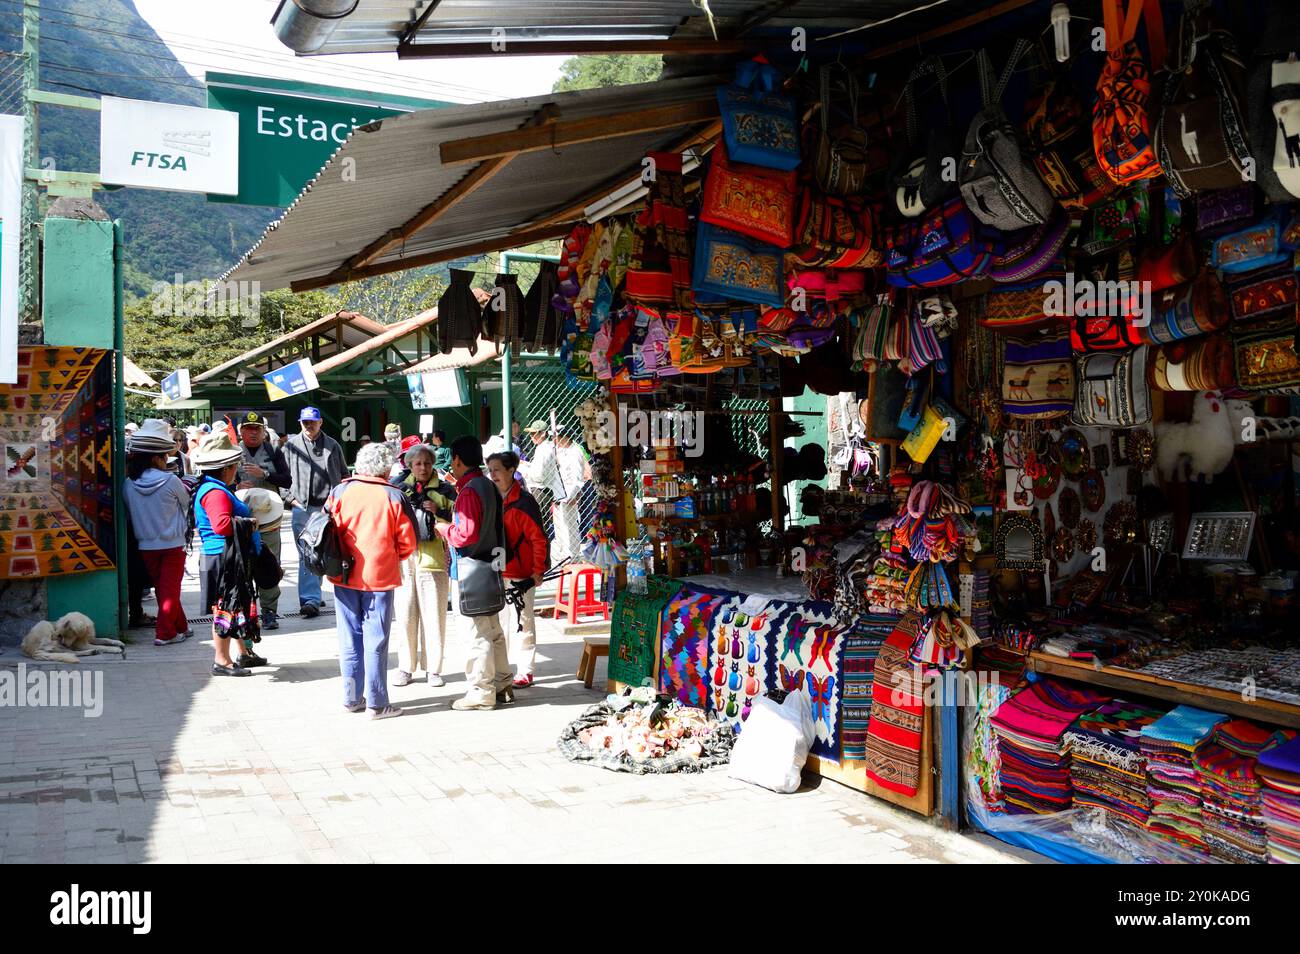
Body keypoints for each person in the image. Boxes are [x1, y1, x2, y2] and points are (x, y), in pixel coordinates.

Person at [325, 442, 418, 720]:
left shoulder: (340, 490)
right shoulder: (393, 495)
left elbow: (327, 526)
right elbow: (408, 542)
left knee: (348, 638)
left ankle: (352, 697)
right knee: (375, 640)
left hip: (343, 574)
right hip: (379, 576)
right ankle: (377, 703)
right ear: (387, 468)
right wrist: (391, 556)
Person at [438, 436, 511, 711]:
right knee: (493, 630)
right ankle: (503, 684)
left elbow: (465, 534)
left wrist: (445, 530)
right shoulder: (488, 486)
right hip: (490, 567)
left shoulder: (469, 490)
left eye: (452, 462)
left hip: (470, 572)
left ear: (457, 460)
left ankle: (481, 691)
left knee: (475, 633)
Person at [192, 431, 264, 677]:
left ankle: (243, 653)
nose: (236, 469)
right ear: (226, 468)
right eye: (234, 465)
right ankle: (221, 660)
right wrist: (250, 522)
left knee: (233, 607)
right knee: (224, 609)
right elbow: (221, 525)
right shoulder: (216, 493)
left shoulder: (215, 488)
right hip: (223, 557)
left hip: (225, 556)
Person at [390, 443, 456, 688]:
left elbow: (458, 519)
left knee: (434, 615)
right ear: (409, 464)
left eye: (427, 463)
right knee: (405, 613)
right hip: (404, 560)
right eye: (418, 463)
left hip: (434, 560)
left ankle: (434, 669)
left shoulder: (446, 490)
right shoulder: (398, 486)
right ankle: (405, 667)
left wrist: (438, 512)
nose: (423, 468)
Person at [122, 419, 191, 647]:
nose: (166, 461)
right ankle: (165, 633)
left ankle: (181, 626)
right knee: (169, 591)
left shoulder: (128, 484)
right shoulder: (171, 480)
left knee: (164, 589)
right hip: (173, 544)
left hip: (145, 545)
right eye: (164, 457)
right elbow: (185, 503)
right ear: (156, 457)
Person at [487, 451, 548, 689]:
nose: (492, 475)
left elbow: (538, 540)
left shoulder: (524, 502)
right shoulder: (489, 499)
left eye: (497, 470)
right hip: (495, 571)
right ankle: (502, 670)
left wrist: (537, 571)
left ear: (511, 470)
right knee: (498, 623)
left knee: (523, 622)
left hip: (521, 574)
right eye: (490, 470)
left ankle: (525, 670)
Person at [284, 406, 346, 618]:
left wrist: (341, 499)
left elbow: (344, 473)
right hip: (302, 506)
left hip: (328, 507)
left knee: (324, 551)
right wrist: (289, 498)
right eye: (305, 422)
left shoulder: (333, 445)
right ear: (300, 423)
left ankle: (314, 592)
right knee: (307, 553)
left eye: (312, 421)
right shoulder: (291, 446)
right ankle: (310, 599)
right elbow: (283, 476)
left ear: (321, 422)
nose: (308, 425)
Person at [236, 411, 292, 630]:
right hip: (240, 519)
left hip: (269, 520)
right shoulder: (231, 453)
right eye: (248, 429)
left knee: (269, 564)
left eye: (257, 429)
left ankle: (269, 611)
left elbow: (287, 480)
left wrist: (265, 474)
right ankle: (245, 610)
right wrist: (236, 487)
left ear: (263, 431)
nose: (253, 433)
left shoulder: (273, 451)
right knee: (242, 566)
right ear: (241, 431)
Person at [550, 427, 588, 563]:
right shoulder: (560, 451)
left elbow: (578, 478)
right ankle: (563, 556)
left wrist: (571, 496)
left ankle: (572, 556)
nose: (554, 440)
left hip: (568, 495)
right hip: (558, 494)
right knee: (559, 526)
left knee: (569, 526)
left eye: (557, 437)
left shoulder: (575, 451)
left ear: (565, 437)